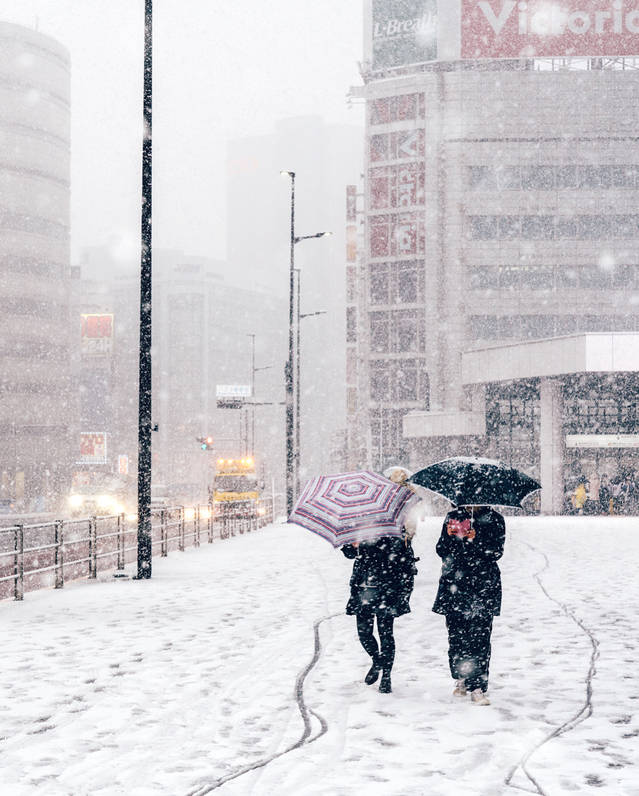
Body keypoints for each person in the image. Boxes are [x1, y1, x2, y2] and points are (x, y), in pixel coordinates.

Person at [432, 504, 505, 706]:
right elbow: (441, 549)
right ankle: (461, 676)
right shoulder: (453, 516)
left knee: (480, 637)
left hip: (483, 585)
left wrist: (475, 540)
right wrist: (452, 536)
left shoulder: (495, 519)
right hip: (455, 583)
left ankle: (478, 685)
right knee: (456, 635)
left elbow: (496, 552)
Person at [341, 529, 419, 694]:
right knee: (364, 633)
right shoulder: (358, 525)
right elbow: (348, 553)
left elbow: (401, 554)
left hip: (387, 586)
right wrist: (353, 546)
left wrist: (375, 546)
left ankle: (387, 676)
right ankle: (377, 660)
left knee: (386, 633)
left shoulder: (393, 526)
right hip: (363, 585)